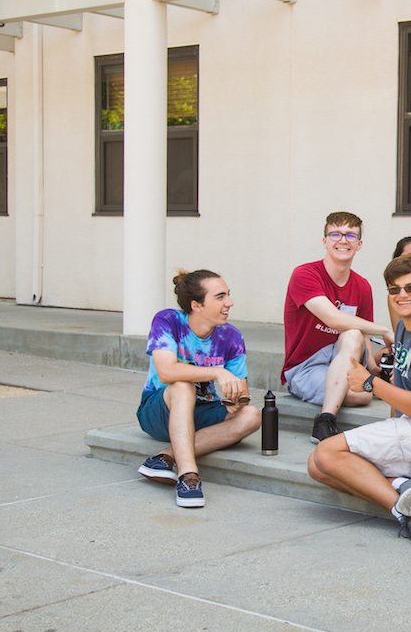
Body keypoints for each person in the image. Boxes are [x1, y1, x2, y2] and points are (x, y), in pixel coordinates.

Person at [308, 254, 411, 543]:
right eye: (394, 289)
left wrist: (371, 383)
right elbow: (402, 397)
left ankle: (406, 514)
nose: (402, 295)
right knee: (317, 465)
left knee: (326, 453)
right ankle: (404, 490)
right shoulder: (403, 327)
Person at [136, 269, 262, 508]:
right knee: (183, 386)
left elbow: (242, 391)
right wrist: (217, 372)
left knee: (252, 416)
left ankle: (166, 456)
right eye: (220, 297)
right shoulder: (168, 321)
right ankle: (188, 477)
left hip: (201, 410)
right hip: (159, 409)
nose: (229, 303)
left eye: (228, 295)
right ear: (197, 305)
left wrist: (236, 401)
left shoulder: (231, 337)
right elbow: (167, 371)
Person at [283, 212, 394, 444]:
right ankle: (325, 421)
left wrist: (373, 367)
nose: (343, 240)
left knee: (354, 337)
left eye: (351, 235)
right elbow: (333, 318)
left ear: (359, 244)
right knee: (361, 395)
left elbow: (361, 333)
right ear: (325, 241)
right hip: (306, 365)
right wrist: (383, 330)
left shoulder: (362, 286)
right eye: (335, 233)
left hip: (344, 356)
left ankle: (327, 414)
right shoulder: (305, 274)